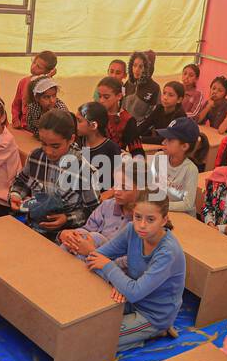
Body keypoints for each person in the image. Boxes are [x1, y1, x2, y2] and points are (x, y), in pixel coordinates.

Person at [87, 192, 187, 350]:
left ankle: (158, 330)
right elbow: (96, 257)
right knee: (83, 324)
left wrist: (111, 271)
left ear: (164, 220)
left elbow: (134, 291)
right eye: (137, 217)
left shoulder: (168, 252)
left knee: (98, 340)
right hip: (131, 296)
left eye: (150, 219)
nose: (141, 225)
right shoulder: (131, 230)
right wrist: (118, 284)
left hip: (153, 314)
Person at [9, 109, 101, 238]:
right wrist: (16, 195)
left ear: (71, 139)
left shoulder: (83, 169)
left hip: (67, 236)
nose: (48, 151)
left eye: (55, 146)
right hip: (33, 227)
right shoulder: (35, 157)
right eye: (44, 144)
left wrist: (67, 218)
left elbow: (94, 212)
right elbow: (21, 182)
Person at [59, 163, 138, 254]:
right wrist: (69, 235)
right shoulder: (107, 206)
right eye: (115, 185)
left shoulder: (142, 219)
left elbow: (131, 260)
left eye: (124, 187)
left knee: (96, 237)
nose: (116, 192)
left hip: (111, 262)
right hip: (91, 254)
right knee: (78, 235)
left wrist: (93, 252)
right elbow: (87, 230)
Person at [150, 117, 201, 214]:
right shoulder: (159, 158)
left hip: (182, 216)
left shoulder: (190, 169)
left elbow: (187, 204)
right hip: (161, 211)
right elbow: (151, 188)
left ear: (185, 146)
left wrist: (160, 205)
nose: (163, 142)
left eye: (169, 140)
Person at [75, 101, 121, 191]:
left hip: (104, 199)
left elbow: (118, 182)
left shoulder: (111, 148)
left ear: (93, 125)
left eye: (79, 121)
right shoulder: (77, 144)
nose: (75, 124)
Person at [96, 76, 143, 155]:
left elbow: (137, 151)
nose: (101, 100)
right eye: (99, 96)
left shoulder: (127, 119)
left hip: (116, 163)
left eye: (106, 97)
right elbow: (85, 143)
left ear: (119, 96)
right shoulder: (94, 116)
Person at [11, 50, 58, 127]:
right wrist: (15, 119)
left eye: (39, 67)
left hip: (40, 127)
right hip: (23, 126)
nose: (33, 67)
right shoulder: (23, 81)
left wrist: (47, 77)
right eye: (34, 62)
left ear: (47, 71)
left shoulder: (49, 88)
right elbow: (16, 104)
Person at [123, 50, 161, 125]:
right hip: (124, 126)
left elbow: (153, 114)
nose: (136, 70)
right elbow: (121, 105)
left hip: (142, 131)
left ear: (148, 68)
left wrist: (139, 129)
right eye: (134, 65)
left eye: (141, 66)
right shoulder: (127, 83)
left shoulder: (154, 88)